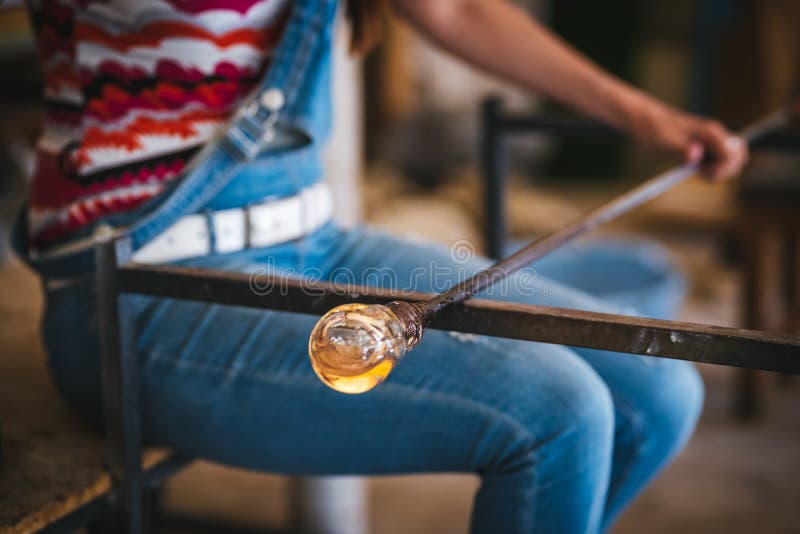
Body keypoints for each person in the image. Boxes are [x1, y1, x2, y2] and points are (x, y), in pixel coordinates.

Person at [20, 1, 748, 532]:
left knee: (657, 387)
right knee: (558, 416)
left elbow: (454, 9)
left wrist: (649, 119)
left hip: (310, 239)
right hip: (139, 282)